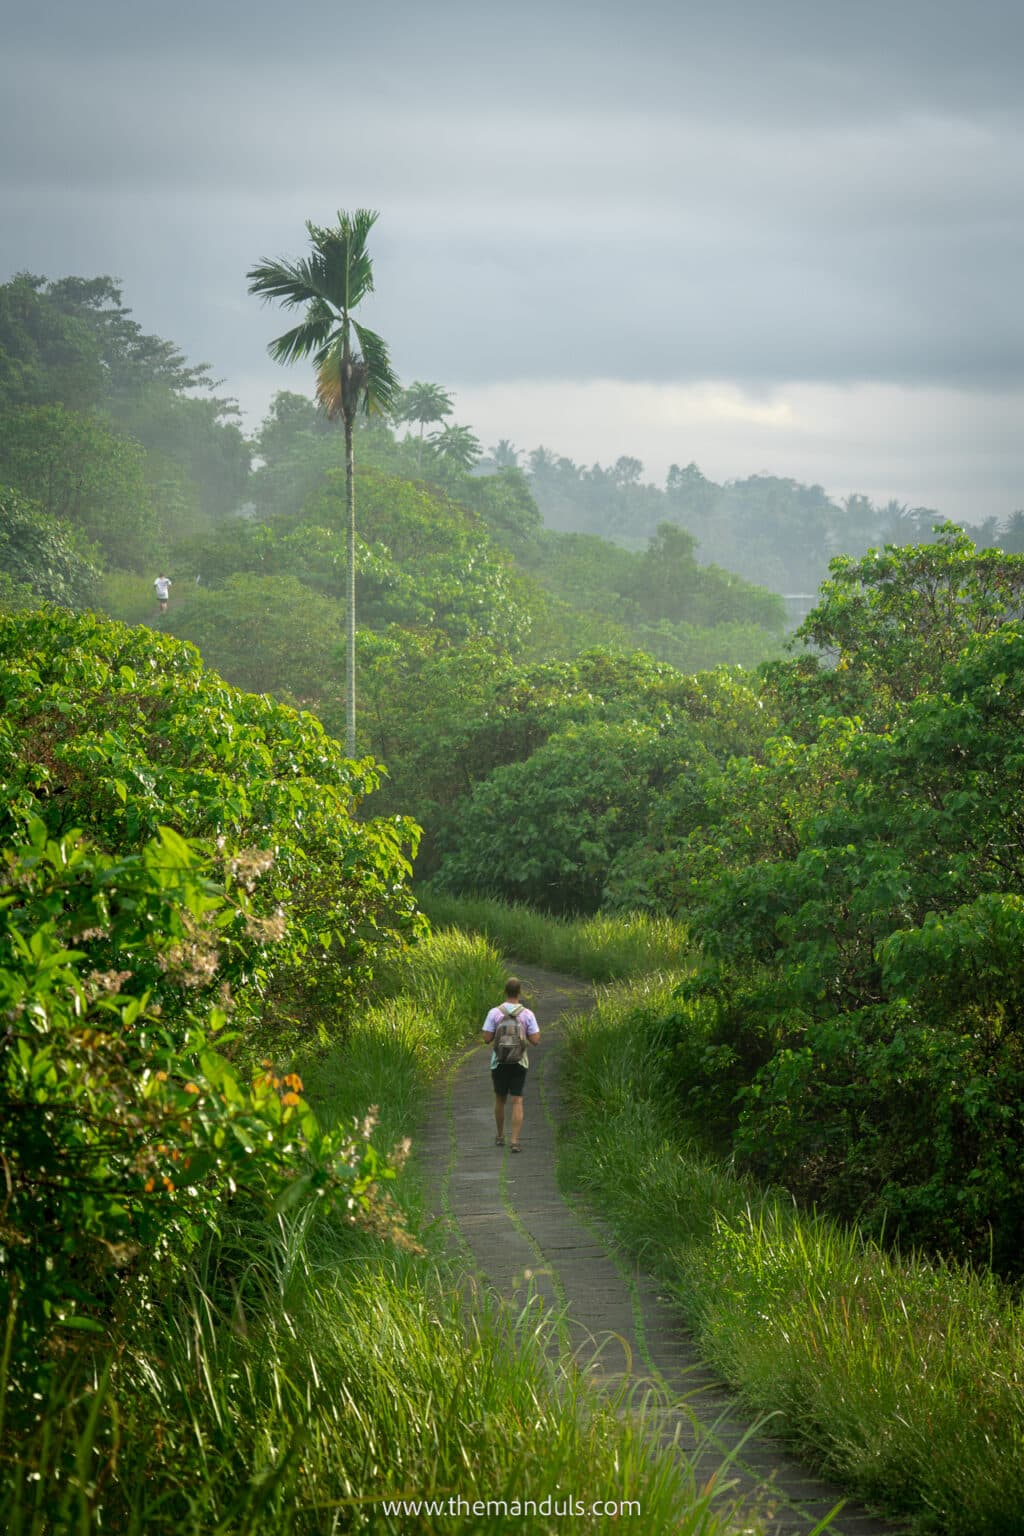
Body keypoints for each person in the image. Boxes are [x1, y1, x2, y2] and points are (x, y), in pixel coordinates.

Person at [481, 977, 540, 1153]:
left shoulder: (494, 1013)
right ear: (519, 993)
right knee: (517, 1100)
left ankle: (500, 1136)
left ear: (505, 992)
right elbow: (536, 1040)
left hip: (498, 1062)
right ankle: (515, 1141)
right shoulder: (527, 1014)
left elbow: (486, 1038)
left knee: (500, 1098)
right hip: (519, 1061)